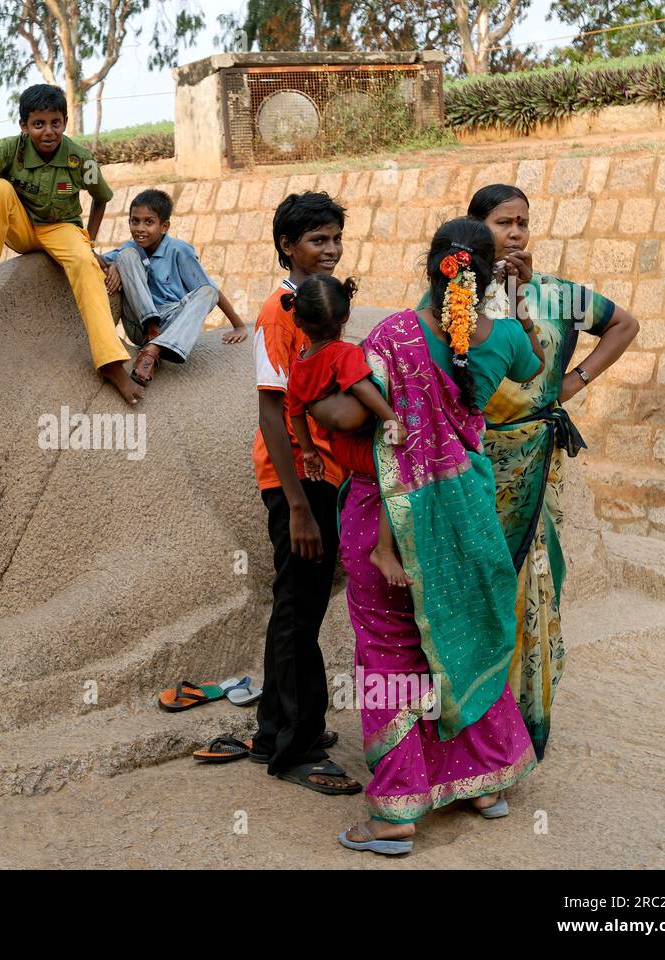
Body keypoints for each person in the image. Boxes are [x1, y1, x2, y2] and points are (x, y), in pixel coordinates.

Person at [320, 218, 545, 855]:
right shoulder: (500, 336)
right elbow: (532, 367)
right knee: (462, 636)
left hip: (390, 521)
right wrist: (516, 300)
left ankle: (395, 813)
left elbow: (351, 415)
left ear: (431, 266)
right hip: (468, 516)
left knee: (392, 652)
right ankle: (482, 782)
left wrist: (309, 384)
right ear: (483, 271)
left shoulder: (393, 334)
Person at [458, 183, 639, 760]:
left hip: (538, 463)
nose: (514, 233)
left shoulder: (558, 296)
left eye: (522, 223)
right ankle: (470, 729)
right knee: (477, 585)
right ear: (475, 229)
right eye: (502, 223)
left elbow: (624, 325)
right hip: (473, 462)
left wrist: (576, 380)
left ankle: (519, 722)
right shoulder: (457, 300)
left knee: (533, 585)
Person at [248, 192, 360, 795]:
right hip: (296, 478)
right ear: (288, 246)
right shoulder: (278, 313)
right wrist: (296, 506)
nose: (332, 250)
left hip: (321, 475)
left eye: (336, 239)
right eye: (319, 240)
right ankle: (297, 749)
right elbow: (271, 411)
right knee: (299, 611)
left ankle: (276, 731)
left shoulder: (318, 305)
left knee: (298, 606)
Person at [0, 83, 142, 405]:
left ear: (65, 122)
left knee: (84, 264)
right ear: (24, 127)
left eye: (55, 122)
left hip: (62, 229)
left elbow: (101, 199)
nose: (48, 131)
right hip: (23, 229)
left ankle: (110, 362)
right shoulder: (13, 148)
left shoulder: (80, 159)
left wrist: (88, 242)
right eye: (38, 124)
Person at [280, 274, 410, 587]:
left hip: (340, 447)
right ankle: (384, 549)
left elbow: (295, 412)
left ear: (297, 319)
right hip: (362, 446)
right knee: (395, 479)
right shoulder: (345, 353)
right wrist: (391, 417)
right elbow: (361, 387)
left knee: (369, 480)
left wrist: (309, 450)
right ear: (346, 317)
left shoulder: (299, 365)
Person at [101, 189, 247, 385]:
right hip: (138, 325)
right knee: (125, 256)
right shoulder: (129, 248)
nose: (140, 228)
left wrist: (238, 325)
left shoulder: (180, 250)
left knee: (208, 291)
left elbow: (210, 290)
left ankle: (153, 350)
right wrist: (113, 265)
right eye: (135, 221)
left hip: (170, 323)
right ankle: (151, 331)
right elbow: (97, 260)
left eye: (149, 222)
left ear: (164, 226)